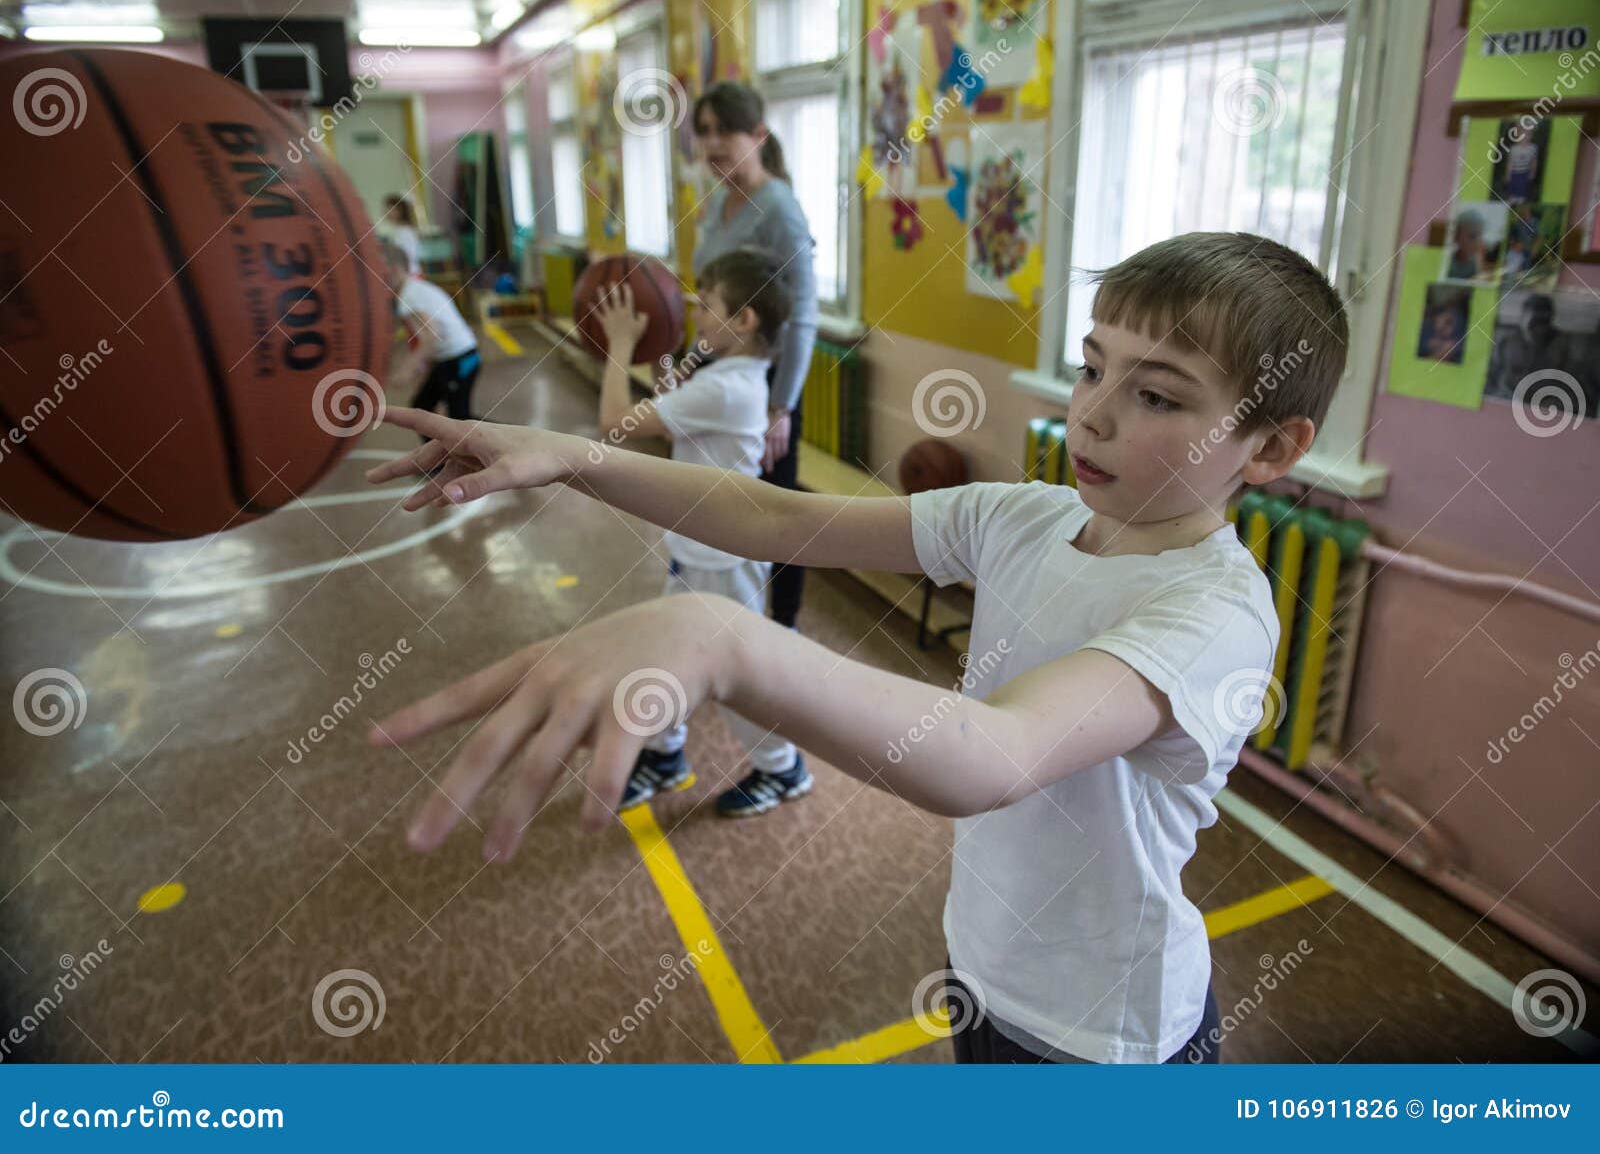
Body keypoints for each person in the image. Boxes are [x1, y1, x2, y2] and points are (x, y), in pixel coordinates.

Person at [365, 231, 1347, 1064]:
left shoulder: (1213, 614)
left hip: (1109, 1036)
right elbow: (771, 515)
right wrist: (576, 460)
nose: (1092, 411)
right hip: (984, 966)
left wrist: (724, 634)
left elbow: (991, 754)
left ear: (1268, 449)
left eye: (1158, 398)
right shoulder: (1022, 518)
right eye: (1093, 368)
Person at [587, 248, 813, 817]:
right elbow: (673, 416)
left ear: (745, 320)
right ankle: (665, 754)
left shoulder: (730, 387)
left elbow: (616, 423)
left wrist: (617, 342)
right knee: (664, 658)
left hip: (722, 558)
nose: (698, 316)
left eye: (708, 306)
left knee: (737, 678)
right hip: (701, 549)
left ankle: (783, 768)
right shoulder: (731, 377)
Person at [691, 81, 819, 631]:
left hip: (767, 389)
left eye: (725, 129)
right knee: (727, 499)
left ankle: (784, 627)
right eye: (704, 132)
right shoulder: (718, 201)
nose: (713, 143)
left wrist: (781, 406)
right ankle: (728, 613)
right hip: (723, 371)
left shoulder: (778, 208)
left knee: (778, 514)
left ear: (759, 134)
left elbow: (804, 312)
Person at [381, 241, 481, 422]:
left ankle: (513, 438)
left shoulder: (410, 296)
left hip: (460, 359)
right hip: (447, 360)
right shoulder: (412, 289)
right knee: (422, 405)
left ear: (394, 269)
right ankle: (440, 449)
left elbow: (431, 336)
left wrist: (407, 369)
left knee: (461, 419)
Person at [383, 194, 422, 275]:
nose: (386, 212)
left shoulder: (406, 231)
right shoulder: (398, 230)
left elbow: (409, 256)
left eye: (389, 209)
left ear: (399, 211)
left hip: (410, 274)